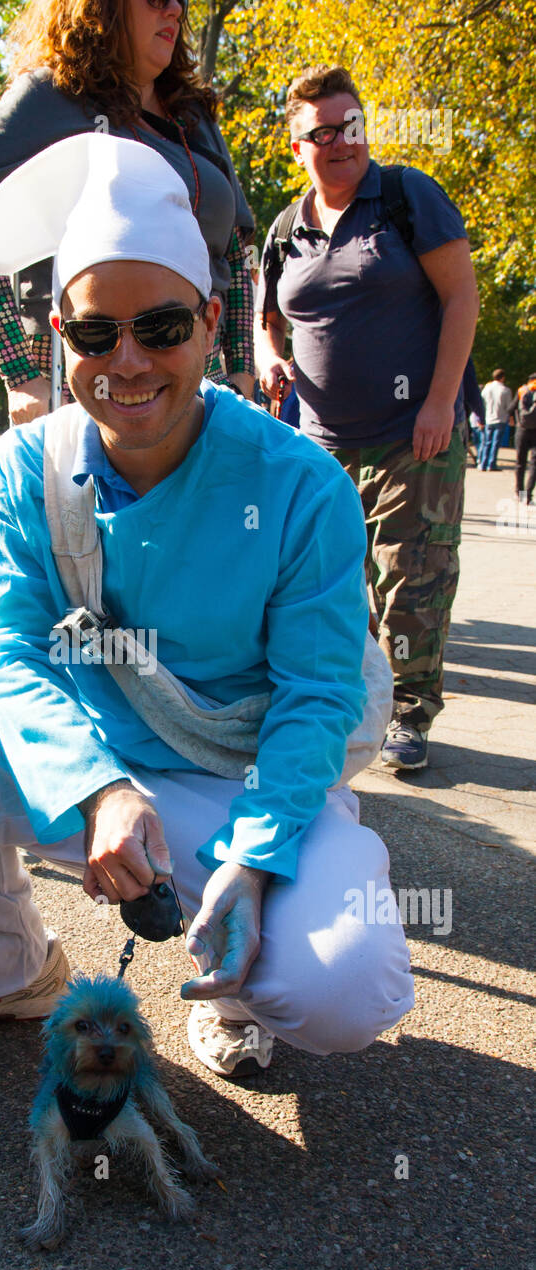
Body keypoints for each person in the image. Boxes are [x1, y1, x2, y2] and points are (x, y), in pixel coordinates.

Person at [0, 134, 413, 1083]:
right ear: (57, 336)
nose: (127, 362)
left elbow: (318, 695)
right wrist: (98, 790)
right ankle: (1, 969)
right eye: (93, 334)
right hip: (91, 772)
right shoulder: (23, 474)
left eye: (159, 327)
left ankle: (240, 983)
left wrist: (258, 854)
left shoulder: (299, 484)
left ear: (209, 324)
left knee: (346, 990)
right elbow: (14, 654)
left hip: (242, 784)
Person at [255, 65, 479, 773]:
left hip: (414, 434)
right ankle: (352, 705)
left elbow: (462, 297)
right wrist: (269, 357)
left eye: (349, 126)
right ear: (298, 148)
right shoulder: (286, 227)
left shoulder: (407, 197)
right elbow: (267, 318)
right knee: (331, 585)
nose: (339, 142)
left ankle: (409, 714)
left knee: (411, 579)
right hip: (319, 446)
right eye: (320, 133)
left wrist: (441, 401)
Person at [0, 0, 256, 426]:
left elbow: (234, 252)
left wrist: (242, 371)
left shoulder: (195, 117)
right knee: (97, 493)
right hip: (93, 368)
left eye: (181, 2)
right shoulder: (48, 98)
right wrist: (20, 375)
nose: (174, 11)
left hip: (203, 373)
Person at [478, 368, 515, 471]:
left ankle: (483, 463)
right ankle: (491, 464)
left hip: (488, 418)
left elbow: (482, 403)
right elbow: (509, 407)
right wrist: (511, 419)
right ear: (502, 377)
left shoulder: (487, 388)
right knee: (495, 443)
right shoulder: (505, 390)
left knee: (487, 442)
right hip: (500, 418)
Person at [513, 371, 536, 505]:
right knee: (534, 465)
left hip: (522, 430)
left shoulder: (522, 391)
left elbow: (510, 408)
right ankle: (528, 495)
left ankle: (520, 493)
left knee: (520, 463)